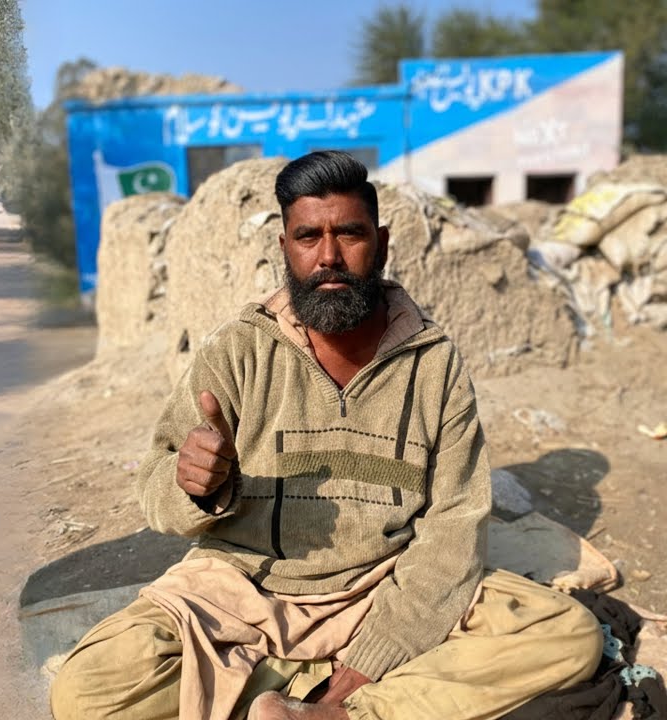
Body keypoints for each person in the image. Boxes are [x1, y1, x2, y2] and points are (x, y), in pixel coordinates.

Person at [49, 151, 603, 720]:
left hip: (384, 587)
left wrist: (366, 665)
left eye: (350, 234)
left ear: (382, 244)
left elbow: (453, 529)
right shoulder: (238, 350)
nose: (329, 256)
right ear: (285, 248)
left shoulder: (433, 363)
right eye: (308, 236)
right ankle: (326, 697)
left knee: (567, 634)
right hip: (244, 593)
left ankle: (332, 711)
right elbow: (156, 489)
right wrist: (192, 485)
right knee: (87, 690)